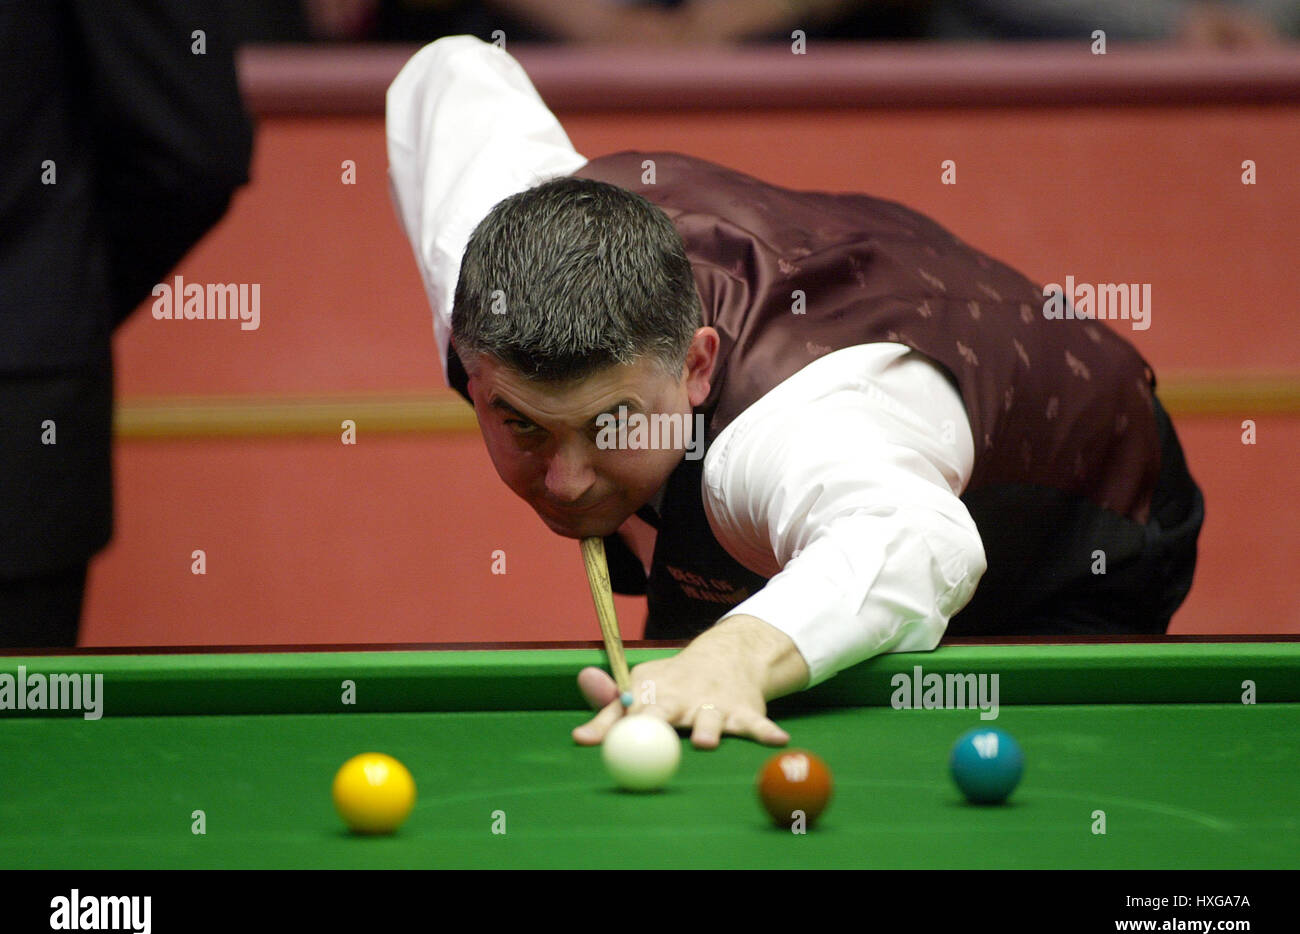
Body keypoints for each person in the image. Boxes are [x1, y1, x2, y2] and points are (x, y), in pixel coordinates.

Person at [386, 36, 1203, 747]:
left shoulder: (794, 431)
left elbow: (919, 542)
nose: (565, 482)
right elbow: (451, 73)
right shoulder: (483, 274)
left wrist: (736, 651)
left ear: (698, 366)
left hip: (1078, 507)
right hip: (828, 410)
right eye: (524, 426)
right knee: (696, 718)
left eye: (610, 424)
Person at [0, 1, 252, 646]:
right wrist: (55, 297)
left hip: (25, 399)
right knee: (20, 748)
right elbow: (195, 153)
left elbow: (192, 155)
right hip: (22, 390)